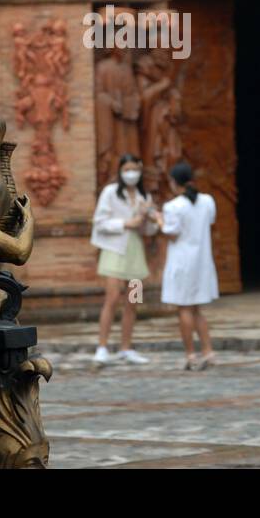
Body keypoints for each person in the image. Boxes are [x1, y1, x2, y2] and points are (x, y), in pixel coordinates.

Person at [89, 154, 160, 365]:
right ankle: (102, 347)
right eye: (128, 169)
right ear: (121, 170)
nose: (132, 174)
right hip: (114, 251)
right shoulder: (111, 193)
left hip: (136, 254)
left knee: (134, 301)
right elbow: (100, 222)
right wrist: (126, 223)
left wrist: (149, 219)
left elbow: (148, 230)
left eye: (136, 170)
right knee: (112, 298)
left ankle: (126, 348)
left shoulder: (144, 196)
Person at [160, 161, 219, 370]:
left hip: (182, 262)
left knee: (184, 309)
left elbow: (172, 234)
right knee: (197, 310)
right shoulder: (207, 201)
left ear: (174, 183)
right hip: (202, 261)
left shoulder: (173, 206)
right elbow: (209, 222)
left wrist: (159, 220)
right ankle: (208, 351)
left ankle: (190, 354)